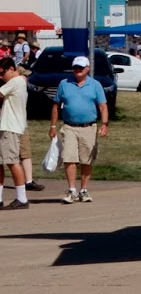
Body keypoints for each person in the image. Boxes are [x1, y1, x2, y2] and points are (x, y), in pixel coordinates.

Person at [51, 55, 109, 203]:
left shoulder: (95, 85)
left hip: (89, 127)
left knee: (86, 159)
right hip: (69, 126)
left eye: (81, 68)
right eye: (75, 67)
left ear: (87, 68)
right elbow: (56, 105)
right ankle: (72, 190)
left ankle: (84, 190)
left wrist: (104, 124)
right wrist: (53, 126)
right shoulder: (64, 84)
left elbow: (103, 106)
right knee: (69, 158)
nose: (78, 70)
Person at [0, 57, 28, 208]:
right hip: (5, 126)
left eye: (2, 73)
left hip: (11, 127)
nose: (1, 76)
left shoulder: (15, 82)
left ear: (11, 69)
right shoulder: (16, 82)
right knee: (1, 163)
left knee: (12, 162)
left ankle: (22, 198)